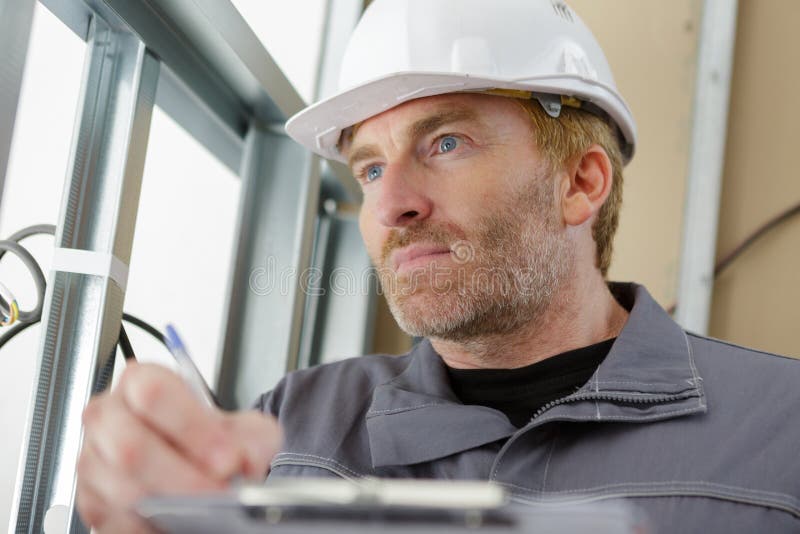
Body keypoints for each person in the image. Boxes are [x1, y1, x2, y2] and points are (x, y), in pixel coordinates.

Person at [76, 0, 800, 532]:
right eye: (367, 169)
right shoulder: (294, 424)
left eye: (446, 143)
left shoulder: (782, 428)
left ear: (580, 183)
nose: (391, 205)